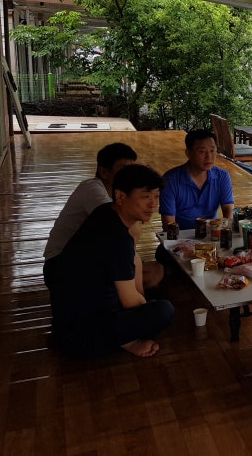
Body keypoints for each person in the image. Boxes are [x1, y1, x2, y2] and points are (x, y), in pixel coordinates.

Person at [43, 164, 174, 358]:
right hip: (81, 337)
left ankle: (125, 337)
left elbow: (133, 263)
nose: (153, 205)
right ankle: (124, 340)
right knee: (164, 310)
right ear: (121, 196)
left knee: (152, 293)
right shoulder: (117, 238)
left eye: (156, 196)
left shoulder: (105, 212)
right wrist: (147, 313)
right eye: (146, 196)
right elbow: (131, 301)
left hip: (67, 321)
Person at [43, 143, 161, 293]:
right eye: (124, 169)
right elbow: (130, 231)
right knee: (143, 280)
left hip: (93, 259)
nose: (130, 175)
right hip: (61, 264)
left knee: (157, 271)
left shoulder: (117, 196)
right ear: (104, 172)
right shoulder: (93, 190)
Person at [159, 129, 234, 230]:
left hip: (211, 234)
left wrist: (225, 232)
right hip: (181, 236)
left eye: (212, 151)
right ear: (188, 153)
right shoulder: (170, 180)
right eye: (202, 152)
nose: (209, 157)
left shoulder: (222, 177)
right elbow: (168, 224)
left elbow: (228, 211)